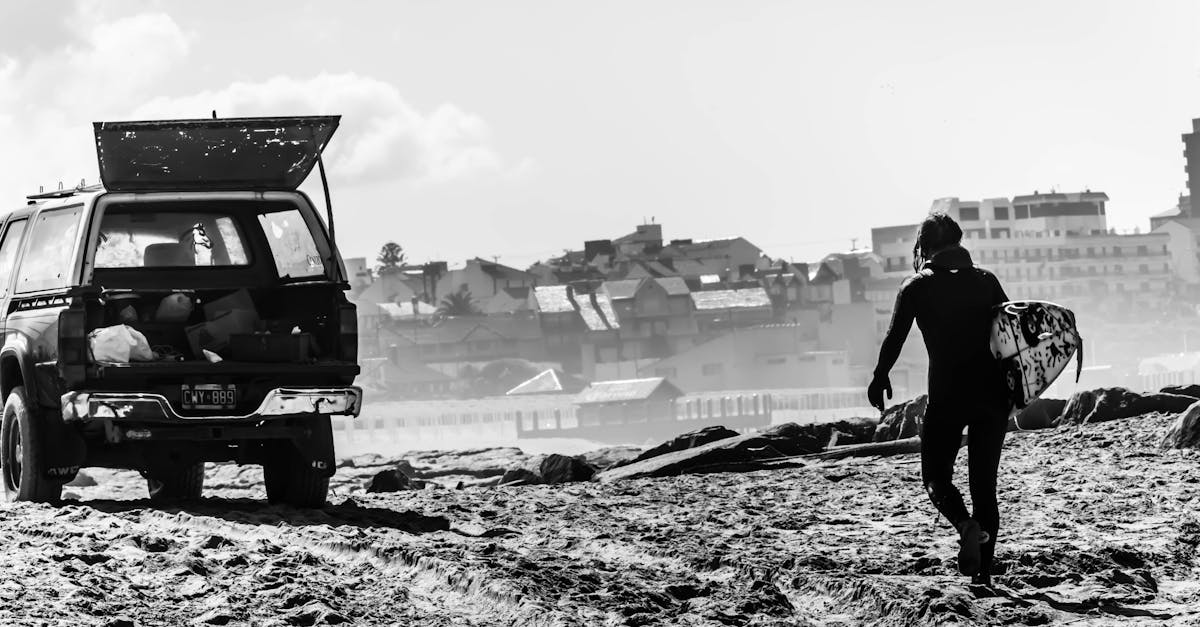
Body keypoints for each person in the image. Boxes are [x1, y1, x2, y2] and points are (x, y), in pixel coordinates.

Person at [868, 211, 1011, 587]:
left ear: (926, 247)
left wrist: (879, 376)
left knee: (935, 476)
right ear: (960, 242)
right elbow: (1012, 332)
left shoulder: (917, 286)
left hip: (948, 396)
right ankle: (983, 576)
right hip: (992, 397)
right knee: (985, 489)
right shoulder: (986, 281)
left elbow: (894, 336)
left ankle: (964, 525)